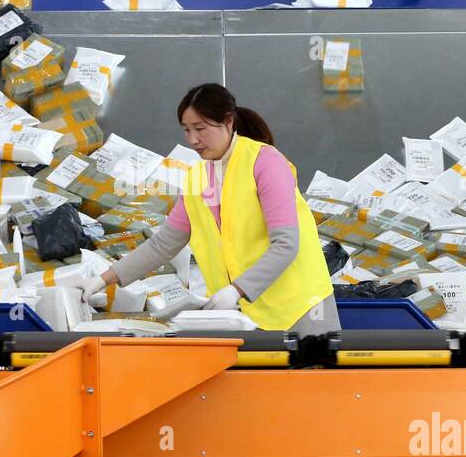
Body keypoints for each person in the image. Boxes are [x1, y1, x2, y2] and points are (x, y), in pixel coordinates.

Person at [80, 83, 339, 334]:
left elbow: (286, 244)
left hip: (301, 309)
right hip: (245, 314)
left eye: (200, 128)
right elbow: (162, 245)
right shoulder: (196, 179)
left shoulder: (265, 162)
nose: (193, 139)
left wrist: (237, 289)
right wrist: (104, 279)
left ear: (227, 122)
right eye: (186, 130)